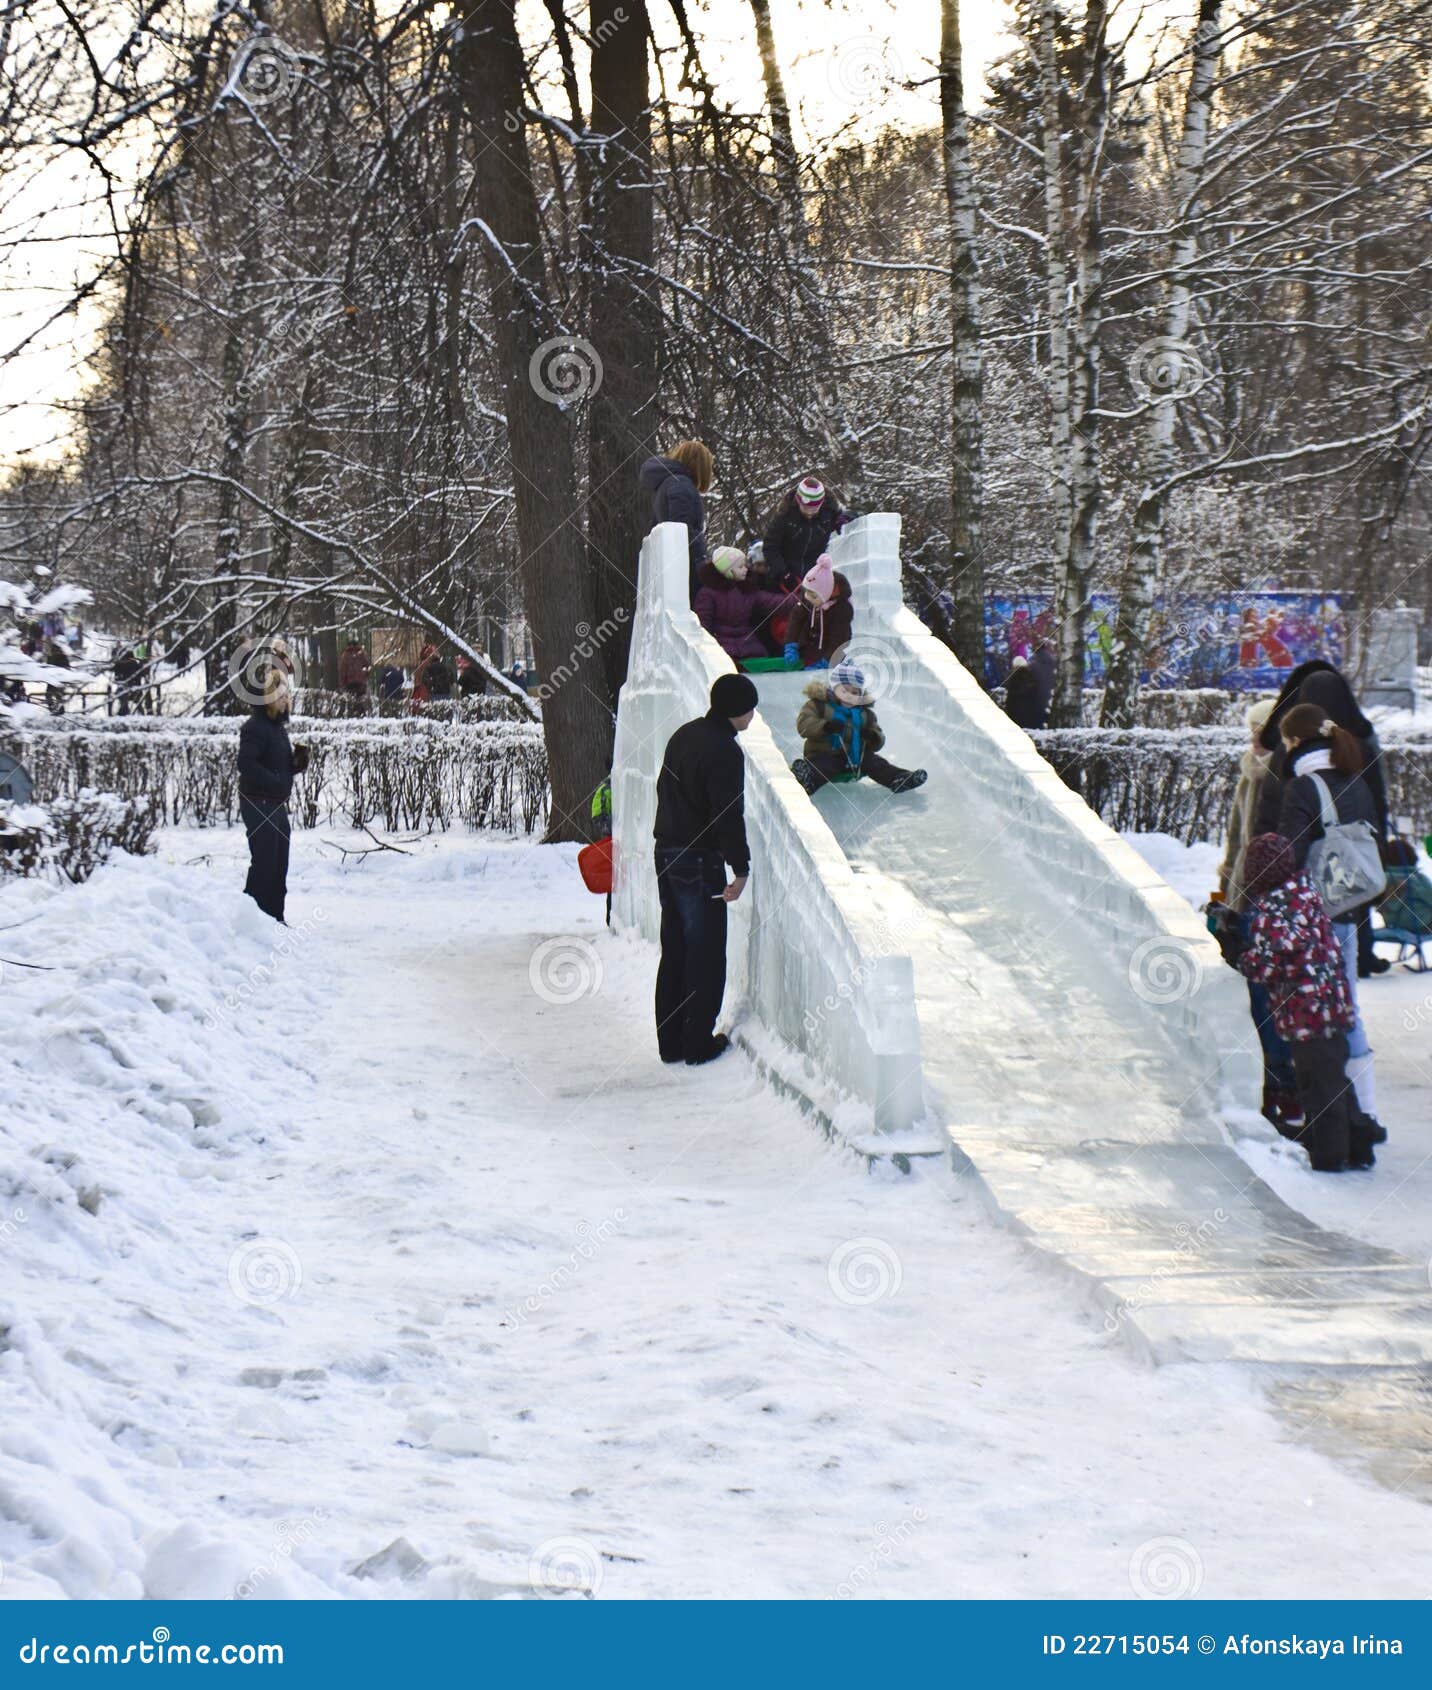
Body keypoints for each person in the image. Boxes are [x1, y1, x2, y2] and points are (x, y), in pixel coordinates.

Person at [1274, 699, 1386, 1144]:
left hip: (1314, 918)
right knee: (1349, 1009)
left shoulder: (1303, 788)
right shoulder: (1355, 779)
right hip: (1351, 910)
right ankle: (1366, 1111)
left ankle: (1330, 1114)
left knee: (1313, 1014)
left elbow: (1287, 856)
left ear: (1296, 741)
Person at [1238, 832, 1373, 1172]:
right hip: (1331, 1007)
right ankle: (1359, 1142)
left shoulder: (1276, 909)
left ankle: (1328, 1155)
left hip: (1306, 1015)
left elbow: (1268, 964)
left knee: (1318, 1088)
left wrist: (1241, 957)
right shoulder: (1304, 894)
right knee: (1334, 1079)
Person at [652, 672, 757, 1067]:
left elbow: (665, 790)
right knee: (706, 951)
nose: (752, 717)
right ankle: (697, 1043)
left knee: (676, 948)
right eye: (749, 709)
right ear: (736, 710)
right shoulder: (725, 751)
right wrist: (741, 867)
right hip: (698, 859)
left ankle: (671, 1043)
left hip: (668, 852)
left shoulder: (684, 735)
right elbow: (728, 815)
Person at [1214, 698, 1300, 1132]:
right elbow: (1234, 832)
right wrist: (1227, 881)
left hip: (1268, 902)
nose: (1253, 738)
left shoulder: (1282, 776)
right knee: (1251, 995)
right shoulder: (1250, 768)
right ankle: (1263, 1081)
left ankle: (1281, 1084)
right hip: (1242, 896)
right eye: (1250, 729)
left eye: (1260, 730)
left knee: (1268, 997)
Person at [237, 655, 308, 923]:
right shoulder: (255, 727)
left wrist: (295, 765)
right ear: (267, 698)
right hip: (258, 803)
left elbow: (277, 765)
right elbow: (246, 763)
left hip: (276, 804)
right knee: (265, 862)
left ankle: (275, 917)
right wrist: (275, 779)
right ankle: (252, 917)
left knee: (280, 863)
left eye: (287, 695)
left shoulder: (278, 729)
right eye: (280, 695)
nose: (285, 700)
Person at [791, 661, 927, 795]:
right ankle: (808, 779)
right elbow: (804, 725)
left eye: (855, 693)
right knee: (824, 765)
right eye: (844, 691)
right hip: (824, 752)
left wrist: (873, 737)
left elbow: (878, 736)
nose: (849, 696)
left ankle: (899, 779)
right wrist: (825, 727)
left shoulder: (865, 714)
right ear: (833, 689)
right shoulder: (819, 705)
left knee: (875, 763)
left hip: (856, 758)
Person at [639, 440, 713, 602]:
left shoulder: (667, 483)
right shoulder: (681, 484)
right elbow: (681, 528)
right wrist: (702, 558)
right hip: (686, 566)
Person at [693, 546, 793, 662]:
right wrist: (708, 649)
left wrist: (800, 601)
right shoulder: (707, 594)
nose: (745, 569)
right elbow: (703, 624)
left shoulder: (747, 590)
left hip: (748, 644)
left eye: (745, 566)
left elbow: (771, 601)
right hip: (721, 645)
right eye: (740, 567)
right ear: (728, 570)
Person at [761, 477, 853, 591]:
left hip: (815, 576)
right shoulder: (784, 516)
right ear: (798, 501)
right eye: (805, 507)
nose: (809, 512)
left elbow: (854, 512)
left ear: (821, 503)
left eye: (814, 508)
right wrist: (782, 573)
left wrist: (845, 518)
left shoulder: (829, 512)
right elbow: (770, 547)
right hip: (785, 577)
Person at [783, 555, 853, 670]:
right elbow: (795, 621)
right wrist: (791, 644)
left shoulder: (841, 610)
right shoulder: (808, 600)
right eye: (806, 592)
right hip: (809, 650)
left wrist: (828, 661)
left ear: (826, 594)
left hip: (831, 653)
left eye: (813, 596)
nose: (808, 598)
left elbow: (840, 639)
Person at [1003, 655, 1041, 729]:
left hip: (1015, 713)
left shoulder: (1013, 678)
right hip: (1030, 713)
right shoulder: (1032, 677)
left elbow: (1010, 698)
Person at [111, 643, 141, 716]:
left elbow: (116, 673)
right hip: (132, 684)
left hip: (128, 684)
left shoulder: (121, 663)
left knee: (123, 696)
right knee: (127, 697)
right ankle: (125, 711)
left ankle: (123, 711)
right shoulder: (133, 663)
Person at [338, 637, 370, 703]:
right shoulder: (362, 654)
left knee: (351, 702)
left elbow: (342, 671)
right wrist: (364, 677)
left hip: (350, 683)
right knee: (361, 701)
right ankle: (361, 711)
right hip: (361, 683)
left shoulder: (345, 655)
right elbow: (368, 667)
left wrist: (342, 684)